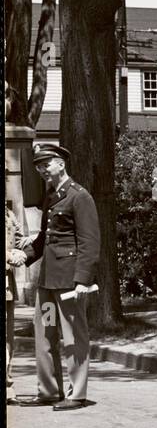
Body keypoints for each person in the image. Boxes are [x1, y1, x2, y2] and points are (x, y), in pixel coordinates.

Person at [17, 144, 100, 410]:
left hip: (68, 284)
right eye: (38, 166)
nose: (42, 170)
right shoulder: (51, 197)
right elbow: (44, 239)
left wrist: (82, 281)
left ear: (61, 163)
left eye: (46, 164)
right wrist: (24, 256)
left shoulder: (80, 197)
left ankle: (77, 394)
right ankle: (49, 391)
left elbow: (89, 243)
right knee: (44, 335)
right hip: (49, 281)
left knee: (74, 337)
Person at [6, 193, 27, 392]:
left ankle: (7, 381)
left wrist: (23, 252)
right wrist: (8, 255)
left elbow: (19, 240)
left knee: (7, 336)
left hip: (7, 286)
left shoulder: (9, 214)